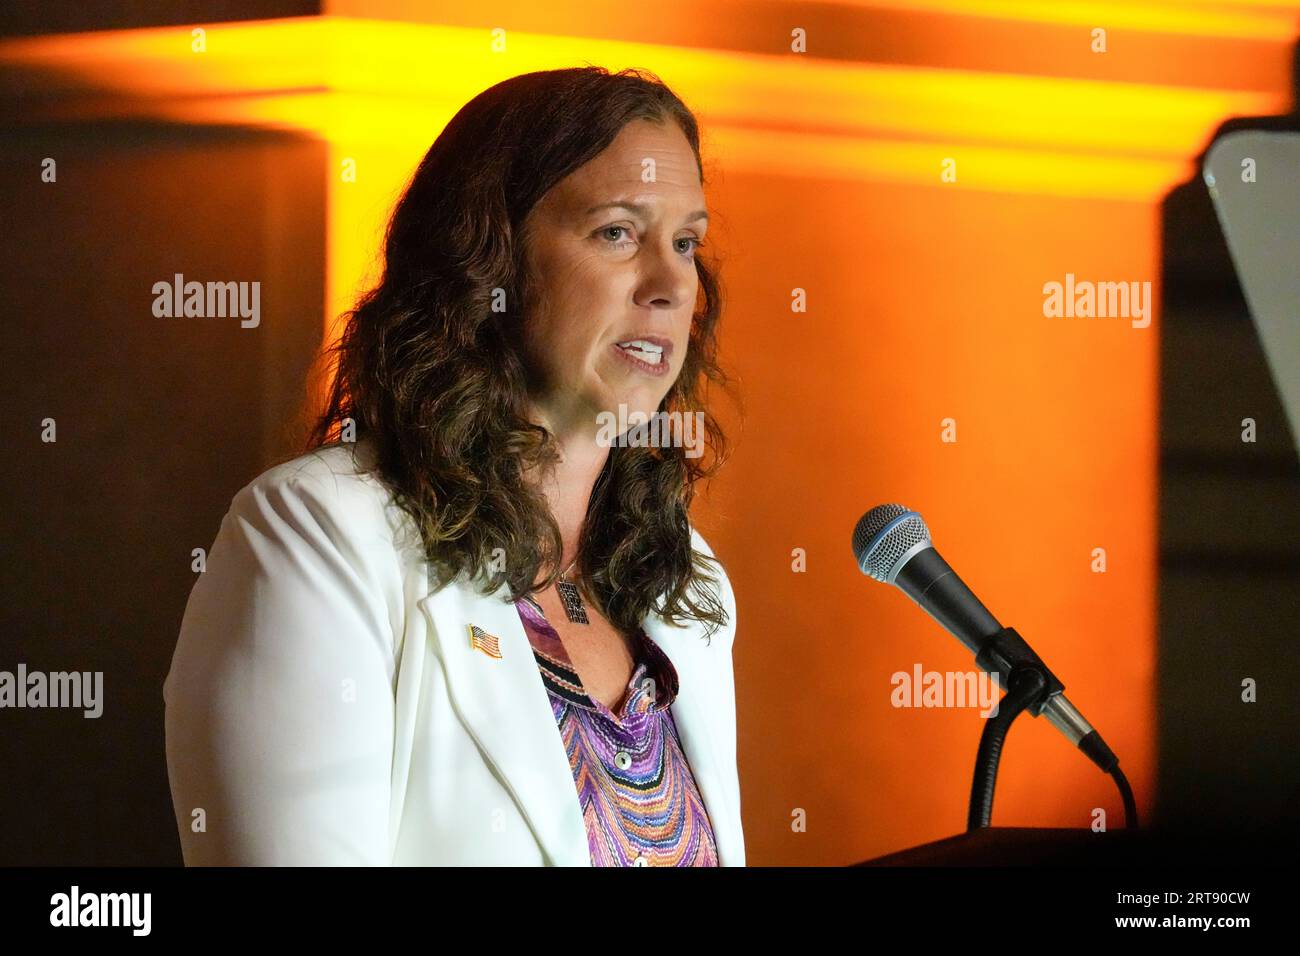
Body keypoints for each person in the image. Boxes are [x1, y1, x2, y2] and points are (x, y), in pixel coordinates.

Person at [162, 66, 744, 866]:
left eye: (685, 243)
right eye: (617, 232)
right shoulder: (318, 534)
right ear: (490, 260)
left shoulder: (688, 586)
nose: (672, 284)